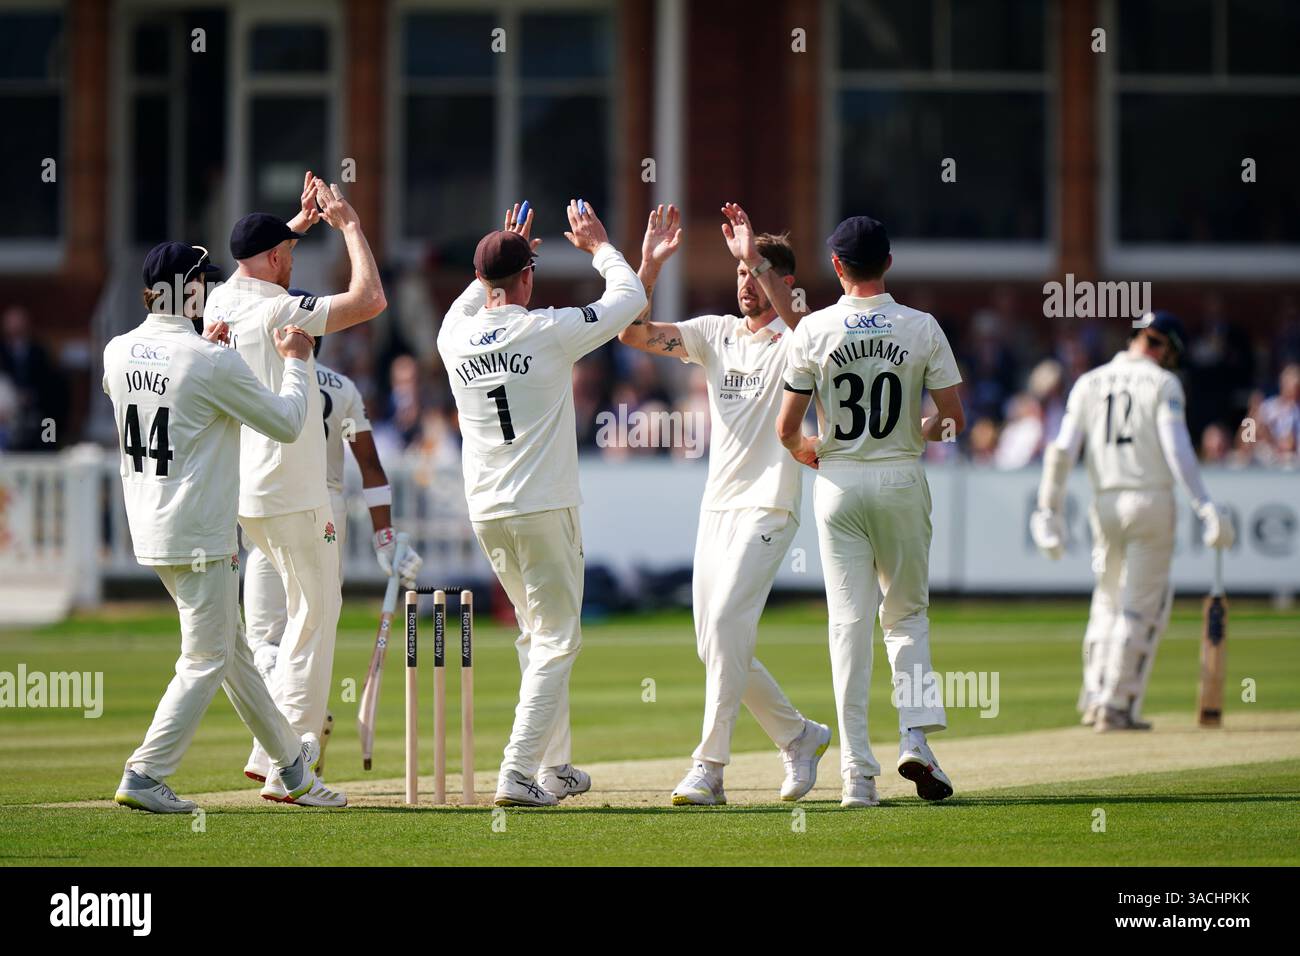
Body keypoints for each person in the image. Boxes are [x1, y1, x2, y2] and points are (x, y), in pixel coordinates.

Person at [105, 241, 341, 811]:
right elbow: (286, 423)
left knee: (233, 654)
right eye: (202, 283)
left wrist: (201, 355)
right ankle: (144, 773)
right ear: (188, 291)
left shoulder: (117, 350)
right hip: (201, 533)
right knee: (207, 659)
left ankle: (292, 772)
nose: (209, 292)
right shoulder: (210, 360)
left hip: (150, 528)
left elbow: (158, 391)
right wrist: (296, 359)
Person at [617, 203, 831, 806]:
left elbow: (802, 328)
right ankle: (800, 736)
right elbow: (631, 333)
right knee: (716, 641)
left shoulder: (802, 337)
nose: (743, 285)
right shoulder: (715, 334)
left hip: (770, 505)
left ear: (783, 283)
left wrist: (757, 261)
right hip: (718, 509)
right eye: (737, 274)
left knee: (727, 627)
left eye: (753, 275)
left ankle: (708, 767)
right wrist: (649, 267)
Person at [437, 201, 646, 806]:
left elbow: (469, 299)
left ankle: (555, 768)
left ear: (483, 280)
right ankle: (517, 771)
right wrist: (599, 246)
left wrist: (496, 259)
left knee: (536, 634)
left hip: (487, 509)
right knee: (558, 638)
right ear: (528, 276)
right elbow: (628, 297)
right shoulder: (548, 330)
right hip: (544, 506)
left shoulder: (453, 339)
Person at [202, 173, 388, 793]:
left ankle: (278, 751)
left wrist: (296, 228)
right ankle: (287, 761)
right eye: (289, 255)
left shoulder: (221, 300)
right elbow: (368, 301)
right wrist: (350, 227)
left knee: (284, 627)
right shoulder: (281, 309)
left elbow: (257, 262)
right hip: (296, 489)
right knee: (316, 614)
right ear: (278, 261)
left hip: (245, 495)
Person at [776, 216, 966, 807]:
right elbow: (953, 420)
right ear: (888, 263)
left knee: (848, 625)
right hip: (901, 477)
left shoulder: (814, 328)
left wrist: (813, 453)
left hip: (838, 482)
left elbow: (786, 429)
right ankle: (913, 736)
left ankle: (857, 774)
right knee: (906, 617)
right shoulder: (922, 326)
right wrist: (917, 427)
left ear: (837, 266)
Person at [1031, 311, 1235, 731]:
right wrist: (1206, 506)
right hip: (1150, 500)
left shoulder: (1089, 382)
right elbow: (1177, 450)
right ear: (1166, 348)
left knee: (1107, 600)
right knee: (1141, 609)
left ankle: (1094, 697)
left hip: (1104, 504)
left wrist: (1047, 508)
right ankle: (1115, 703)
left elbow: (1062, 450)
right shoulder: (1163, 383)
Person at [242, 315, 423, 775]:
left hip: (277, 509)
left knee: (267, 640)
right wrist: (385, 538)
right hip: (327, 516)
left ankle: (293, 741)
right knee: (307, 632)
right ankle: (300, 727)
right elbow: (371, 467)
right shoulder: (341, 388)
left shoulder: (257, 378)